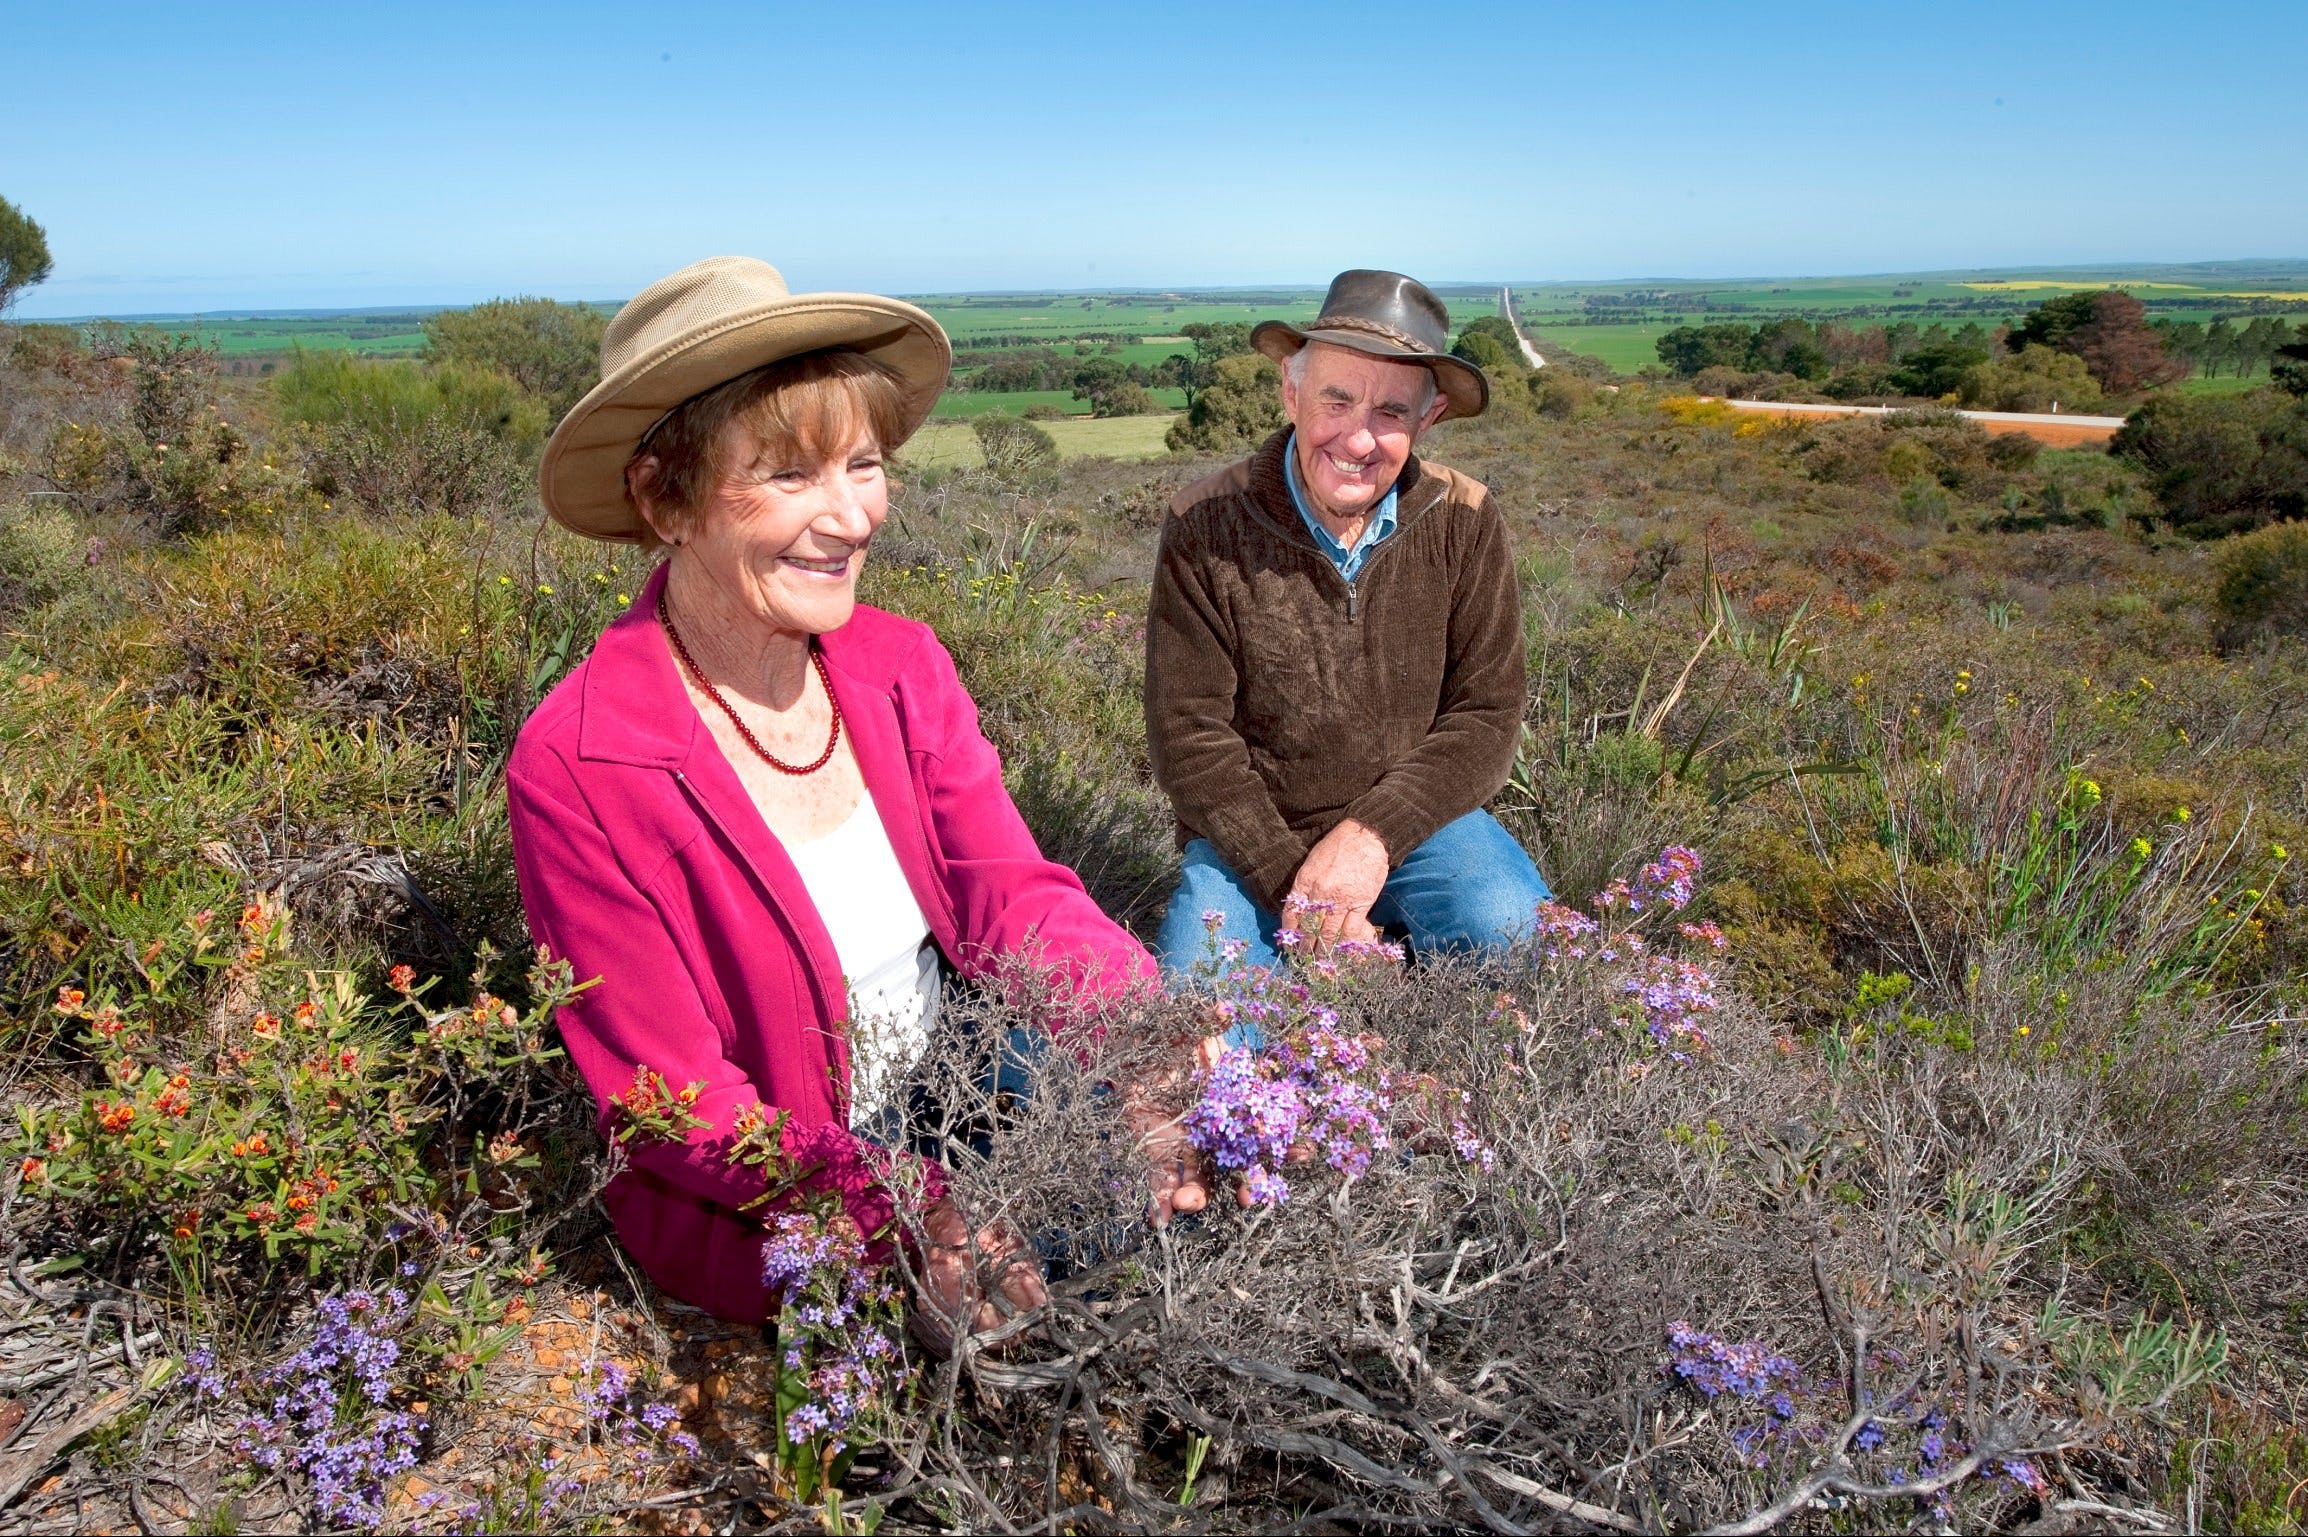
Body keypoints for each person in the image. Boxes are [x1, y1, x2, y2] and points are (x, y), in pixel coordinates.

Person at [509, 256, 1205, 1337]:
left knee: (1194, 1163)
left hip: (956, 1081)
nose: (851, 515)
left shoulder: (897, 664)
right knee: (1052, 1290)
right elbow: (676, 1105)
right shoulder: (583, 764)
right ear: (665, 497)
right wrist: (906, 1220)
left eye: (865, 463)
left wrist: (1142, 1037)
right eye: (789, 476)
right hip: (774, 1193)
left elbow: (1010, 897)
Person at [1146, 269, 1550, 981]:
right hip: (1251, 839)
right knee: (1199, 1004)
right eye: (1337, 398)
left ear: (1428, 421)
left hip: (1419, 826)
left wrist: (1370, 837)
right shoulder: (1203, 525)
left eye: (1392, 411)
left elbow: (1487, 717)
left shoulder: (1466, 520)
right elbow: (1190, 740)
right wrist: (1302, 896)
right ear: (1291, 391)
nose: (1359, 438)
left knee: (1514, 933)